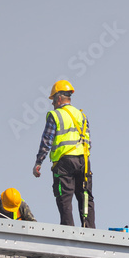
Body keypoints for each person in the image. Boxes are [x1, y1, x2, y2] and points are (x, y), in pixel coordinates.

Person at [32, 79, 95, 228]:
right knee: (85, 196)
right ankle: (89, 230)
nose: (52, 104)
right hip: (84, 161)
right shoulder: (82, 115)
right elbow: (88, 140)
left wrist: (39, 162)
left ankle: (68, 231)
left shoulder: (56, 115)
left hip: (64, 162)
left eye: (52, 100)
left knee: (64, 197)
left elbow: (47, 140)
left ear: (58, 98)